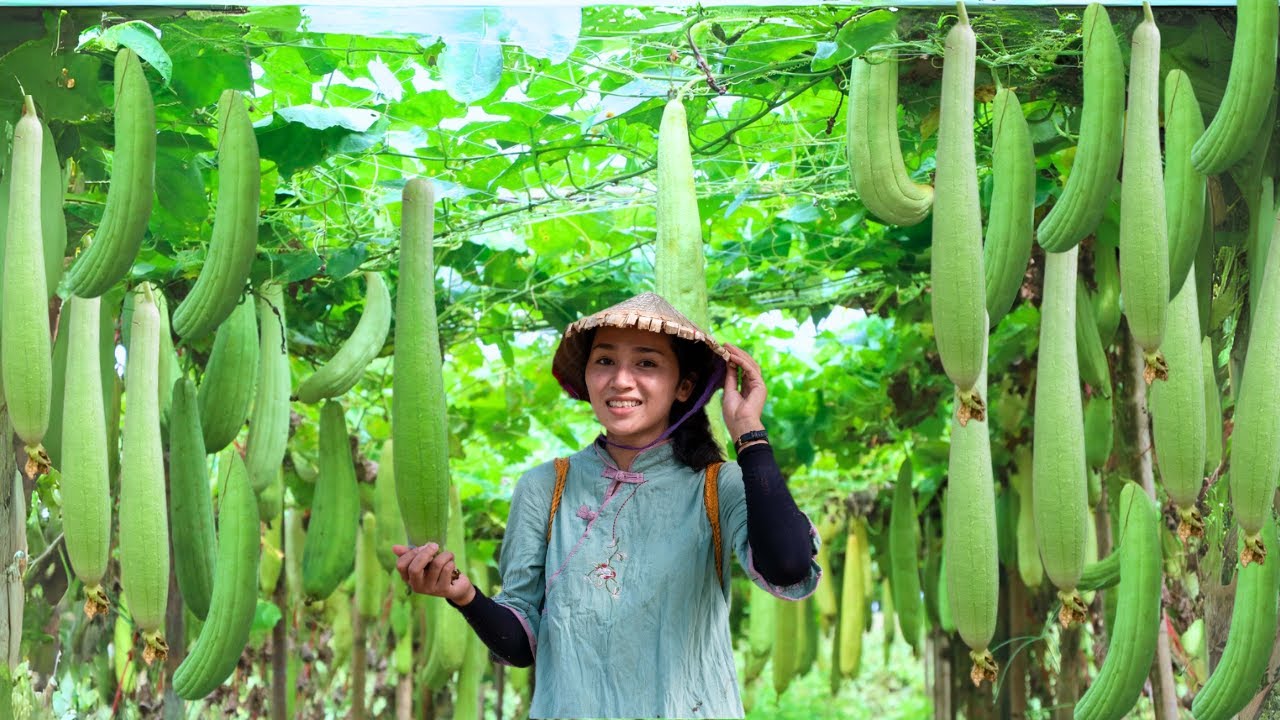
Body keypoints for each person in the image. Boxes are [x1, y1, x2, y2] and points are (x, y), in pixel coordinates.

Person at [393, 291, 821, 718]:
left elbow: (788, 566)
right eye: (604, 361)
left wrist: (748, 432)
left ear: (684, 386)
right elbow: (522, 643)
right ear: (587, 376)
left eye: (647, 363)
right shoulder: (544, 486)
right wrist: (464, 595)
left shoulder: (716, 484)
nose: (620, 380)